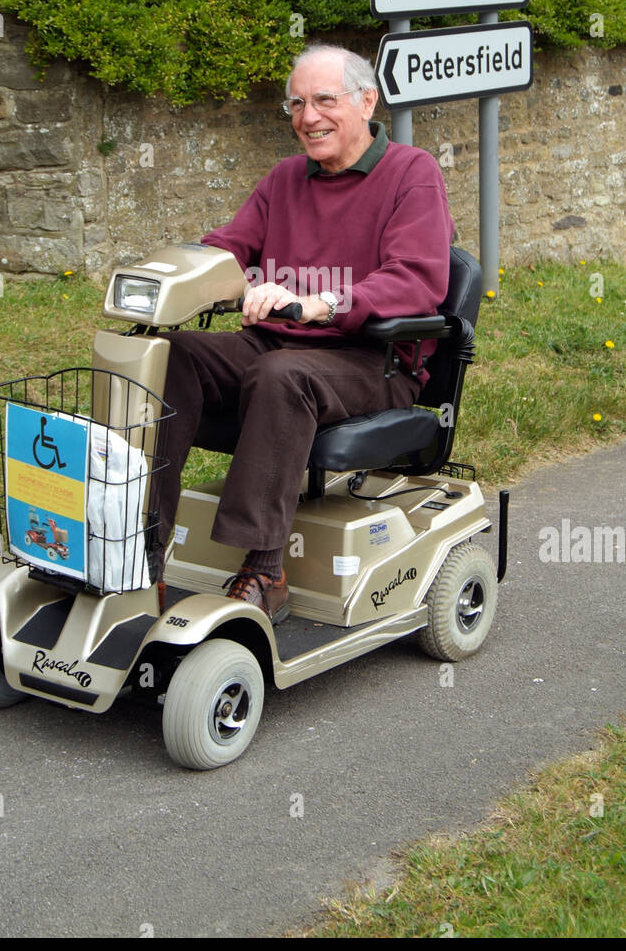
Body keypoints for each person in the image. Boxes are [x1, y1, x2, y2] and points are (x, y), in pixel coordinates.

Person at [155, 43, 454, 623]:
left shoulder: (411, 173)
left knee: (281, 374)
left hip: (371, 358)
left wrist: (322, 303)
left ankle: (265, 569)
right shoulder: (285, 179)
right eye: (296, 103)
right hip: (277, 344)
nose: (307, 117)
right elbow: (229, 246)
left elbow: (416, 279)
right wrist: (176, 271)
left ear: (367, 101)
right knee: (171, 355)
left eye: (323, 100)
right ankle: (140, 553)